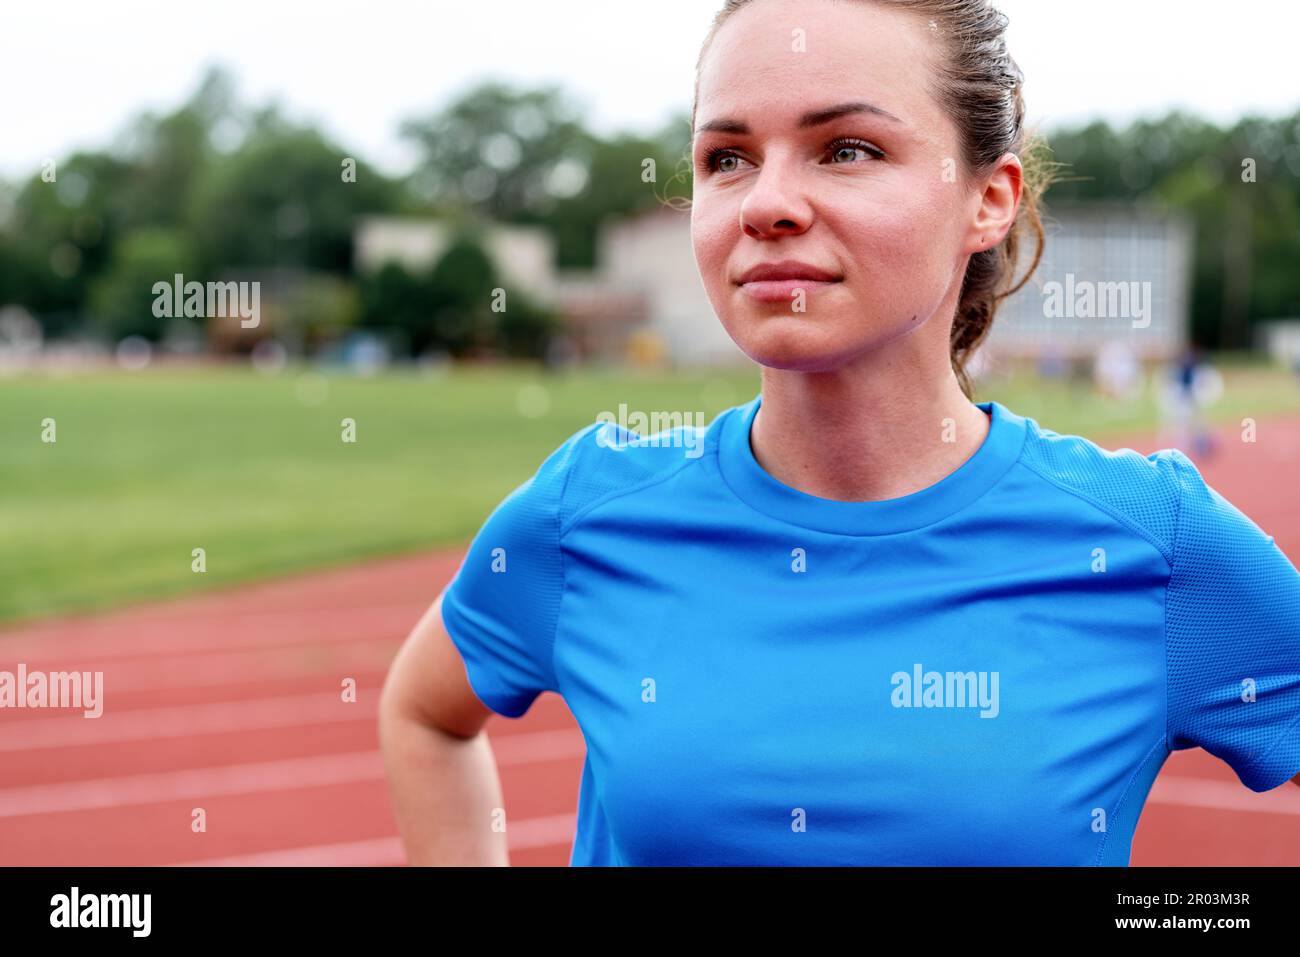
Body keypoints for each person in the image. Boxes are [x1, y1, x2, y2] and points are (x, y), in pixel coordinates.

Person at [380, 0, 1300, 866]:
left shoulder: (1157, 543)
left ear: (989, 198)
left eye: (847, 147)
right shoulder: (586, 512)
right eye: (726, 158)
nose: (763, 203)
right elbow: (424, 712)